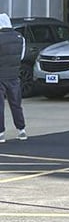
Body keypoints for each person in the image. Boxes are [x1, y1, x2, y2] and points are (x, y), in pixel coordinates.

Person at [0, 13, 27, 142]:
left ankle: (1, 133)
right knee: (16, 104)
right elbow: (21, 57)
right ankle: (21, 130)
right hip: (14, 76)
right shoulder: (20, 37)